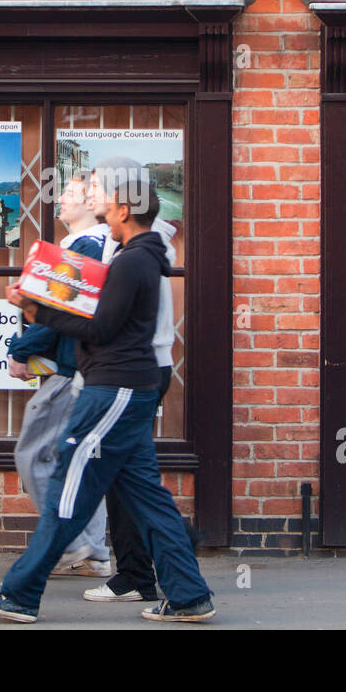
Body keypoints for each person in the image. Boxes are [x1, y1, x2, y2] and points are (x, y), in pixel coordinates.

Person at [0, 174, 215, 623]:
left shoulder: (134, 261)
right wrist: (39, 306)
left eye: (107, 202)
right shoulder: (135, 257)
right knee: (147, 498)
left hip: (113, 391)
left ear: (126, 211)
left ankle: (21, 593)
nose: (100, 210)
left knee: (67, 489)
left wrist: (35, 310)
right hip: (125, 388)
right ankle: (188, 595)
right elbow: (96, 319)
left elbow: (99, 328)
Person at [82, 155, 194, 604]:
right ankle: (142, 575)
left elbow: (107, 322)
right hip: (138, 369)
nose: (91, 195)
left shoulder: (139, 246)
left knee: (123, 479)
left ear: (120, 198)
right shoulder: (129, 241)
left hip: (136, 371)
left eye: (96, 187)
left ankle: (151, 574)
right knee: (129, 479)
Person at [7, 172, 111, 577]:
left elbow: (61, 310)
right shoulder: (101, 246)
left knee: (33, 455)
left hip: (69, 373)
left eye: (70, 193)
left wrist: (21, 349)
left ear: (91, 204)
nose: (60, 199)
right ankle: (96, 553)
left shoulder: (83, 249)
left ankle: (74, 544)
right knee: (80, 464)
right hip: (87, 371)